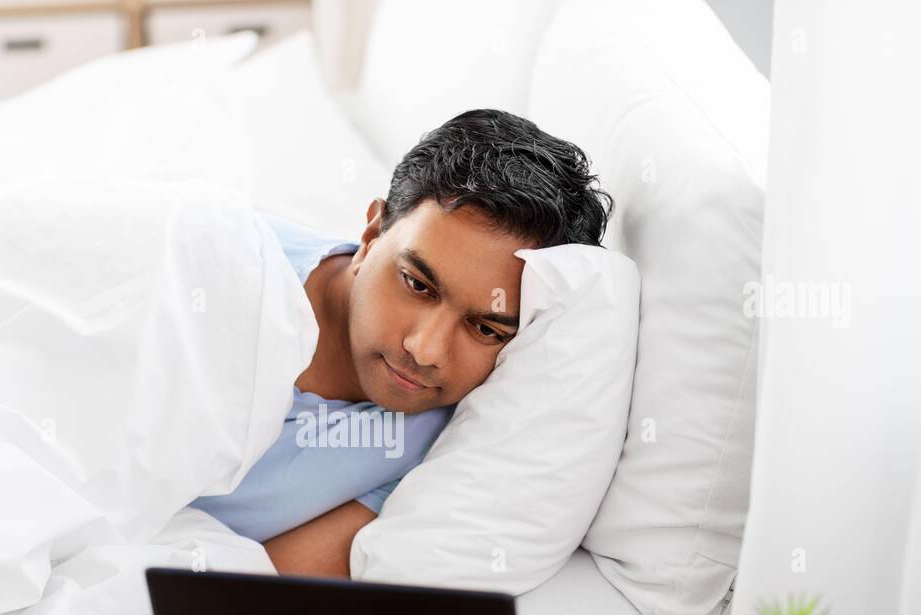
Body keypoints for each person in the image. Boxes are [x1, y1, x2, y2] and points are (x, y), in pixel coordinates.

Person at [191, 108, 612, 576]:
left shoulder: (436, 444)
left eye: (486, 328)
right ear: (372, 234)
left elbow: (249, 597)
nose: (425, 350)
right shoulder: (216, 274)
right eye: (417, 285)